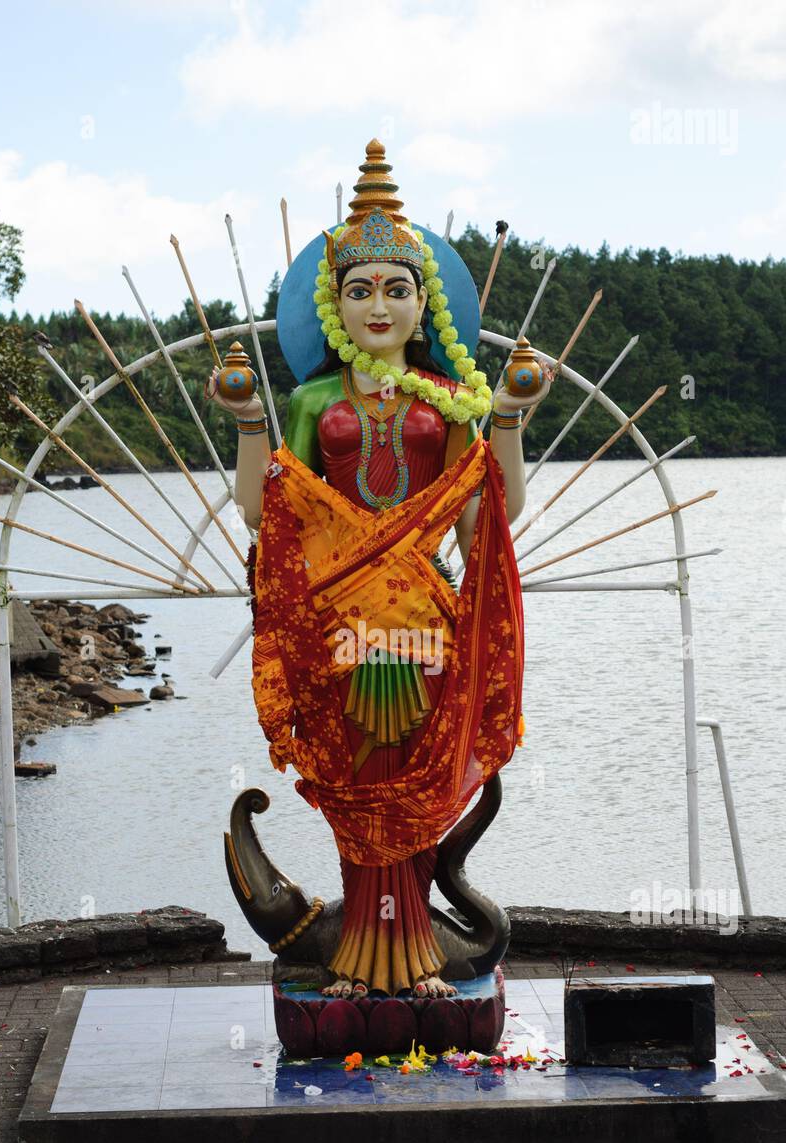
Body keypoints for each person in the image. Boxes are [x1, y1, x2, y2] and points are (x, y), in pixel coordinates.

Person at [209, 140, 550, 1000]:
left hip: (424, 619)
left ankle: (419, 954)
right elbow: (269, 511)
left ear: (423, 301)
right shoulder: (314, 402)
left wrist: (507, 416)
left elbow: (487, 512)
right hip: (343, 621)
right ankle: (363, 952)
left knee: (418, 775)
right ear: (331, 304)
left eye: (398, 288)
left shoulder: (447, 399)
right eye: (359, 289)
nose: (379, 305)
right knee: (360, 773)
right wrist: (250, 418)